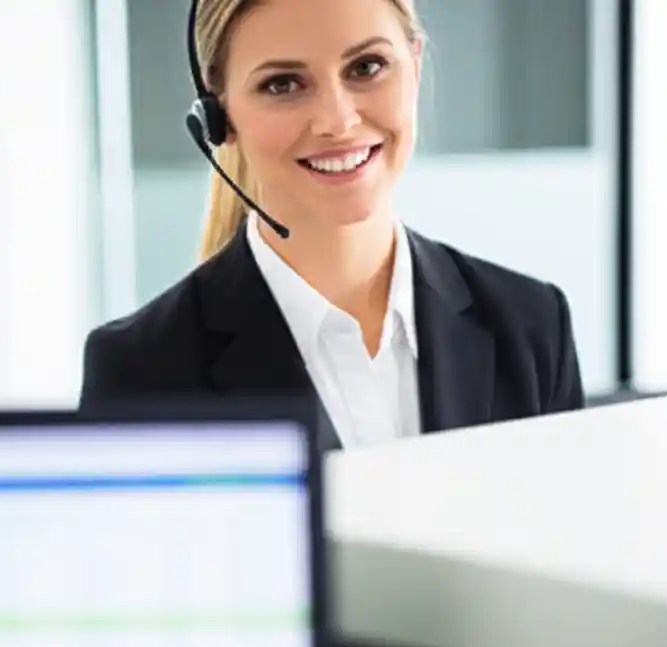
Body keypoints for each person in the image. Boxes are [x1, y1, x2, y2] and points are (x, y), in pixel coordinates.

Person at [80, 0, 584, 451]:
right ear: (219, 116)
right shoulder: (141, 369)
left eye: (367, 67)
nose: (337, 122)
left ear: (414, 65)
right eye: (283, 84)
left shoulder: (532, 326)